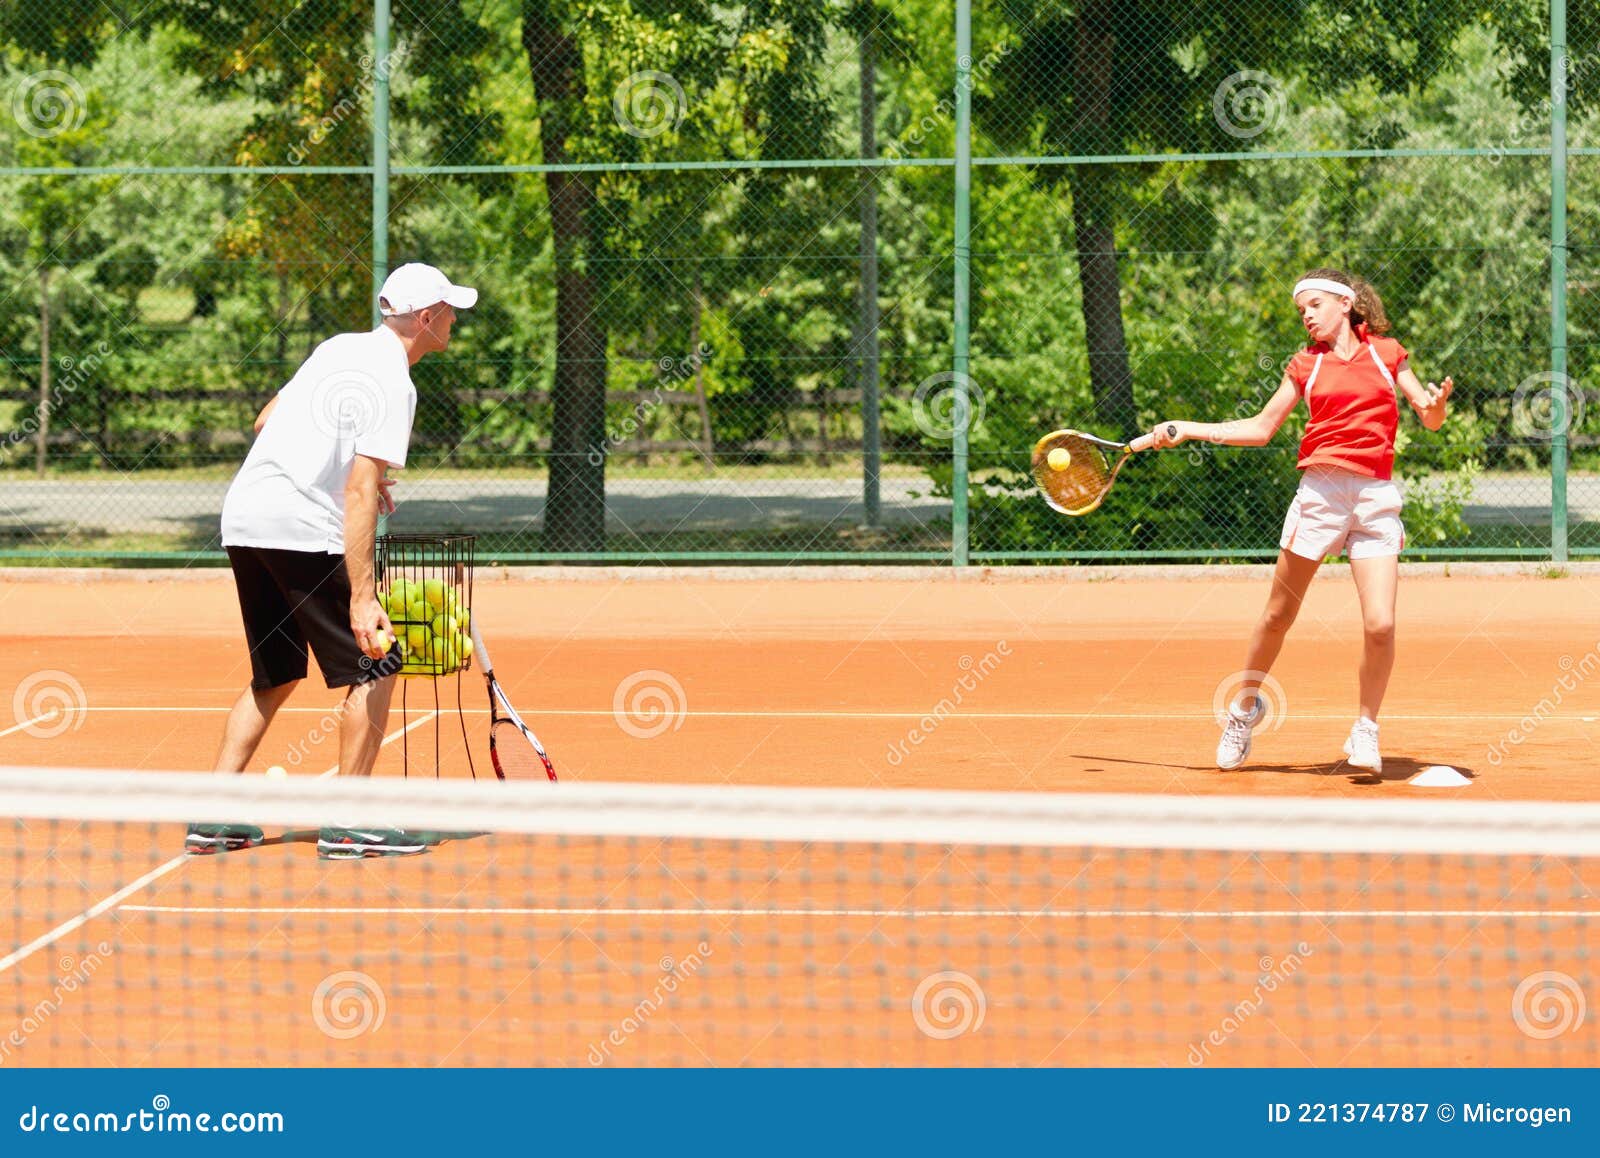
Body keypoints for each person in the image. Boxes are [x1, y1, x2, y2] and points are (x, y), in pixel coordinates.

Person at [186, 263, 477, 859]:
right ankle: (348, 821)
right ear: (426, 320)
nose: (453, 319)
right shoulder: (397, 383)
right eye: (449, 310)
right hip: (301, 529)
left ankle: (213, 817)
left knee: (276, 673)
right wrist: (364, 597)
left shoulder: (338, 347)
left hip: (245, 517)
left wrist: (347, 469)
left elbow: (267, 419)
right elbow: (358, 490)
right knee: (379, 664)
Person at [1149, 268, 1452, 773]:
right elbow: (1262, 427)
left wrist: (1436, 407)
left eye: (1314, 304)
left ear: (1346, 303)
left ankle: (1365, 730)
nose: (1307, 316)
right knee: (1277, 616)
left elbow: (1428, 414)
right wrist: (1191, 430)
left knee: (1381, 625)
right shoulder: (1304, 365)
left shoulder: (1386, 352)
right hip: (1320, 495)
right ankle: (1243, 710)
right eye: (1301, 310)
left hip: (1375, 496)